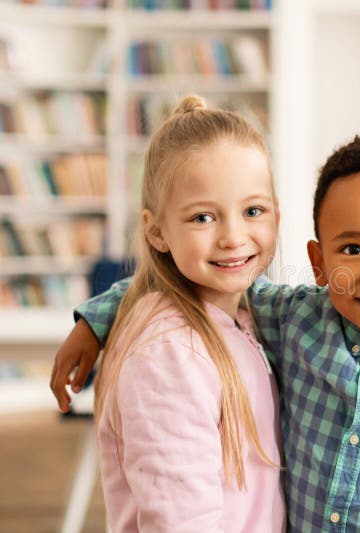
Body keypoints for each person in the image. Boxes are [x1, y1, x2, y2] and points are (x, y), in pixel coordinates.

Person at [52, 135, 360, 531]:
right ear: (318, 260)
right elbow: (197, 279)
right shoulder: (295, 320)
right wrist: (97, 319)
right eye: (352, 249)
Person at [91, 95, 285, 531]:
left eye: (253, 210)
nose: (233, 237)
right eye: (202, 218)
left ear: (277, 214)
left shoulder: (247, 314)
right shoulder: (171, 356)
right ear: (156, 230)